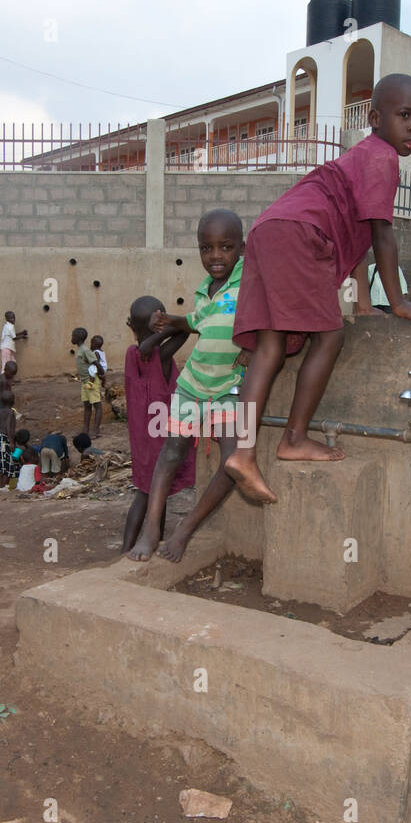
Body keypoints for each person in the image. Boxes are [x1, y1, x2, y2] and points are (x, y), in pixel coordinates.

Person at [225, 74, 411, 504]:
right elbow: (382, 234)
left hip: (272, 228)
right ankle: (294, 438)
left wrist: (364, 303)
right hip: (299, 233)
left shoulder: (358, 160)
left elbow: (357, 240)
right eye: (404, 116)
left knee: (269, 346)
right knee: (330, 335)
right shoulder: (382, 157)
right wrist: (396, 302)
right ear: (375, 118)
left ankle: (243, 453)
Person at [129, 209, 246, 562]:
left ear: (241, 247)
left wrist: (255, 348)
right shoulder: (203, 290)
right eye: (206, 248)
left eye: (225, 247)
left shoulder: (250, 283)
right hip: (191, 385)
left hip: (230, 388)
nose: (215, 256)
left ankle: (185, 530)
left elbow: (268, 318)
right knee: (171, 453)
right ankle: (152, 529)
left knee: (234, 462)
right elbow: (200, 321)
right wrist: (176, 322)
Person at [121, 294, 194, 553]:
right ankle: (133, 547)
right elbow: (186, 332)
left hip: (141, 439)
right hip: (160, 440)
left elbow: (146, 347)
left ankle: (147, 541)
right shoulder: (159, 356)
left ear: (130, 325)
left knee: (149, 494)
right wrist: (168, 324)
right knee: (148, 495)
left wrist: (157, 329)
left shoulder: (133, 355)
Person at [72, 327, 105, 438]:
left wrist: (101, 375)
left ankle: (95, 430)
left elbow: (97, 364)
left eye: (73, 336)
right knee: (87, 405)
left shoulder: (85, 350)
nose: (72, 338)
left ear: (78, 338)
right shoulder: (81, 349)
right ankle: (85, 429)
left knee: (97, 406)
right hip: (84, 382)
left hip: (92, 382)